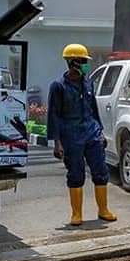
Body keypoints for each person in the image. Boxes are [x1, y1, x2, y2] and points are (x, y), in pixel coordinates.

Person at [47, 43, 117, 225]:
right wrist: (57, 142)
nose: (86, 64)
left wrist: (100, 132)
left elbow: (93, 109)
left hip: (92, 133)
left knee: (101, 171)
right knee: (76, 174)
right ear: (73, 62)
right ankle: (76, 214)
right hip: (71, 136)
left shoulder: (88, 83)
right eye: (84, 61)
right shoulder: (58, 86)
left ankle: (103, 210)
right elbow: (53, 115)